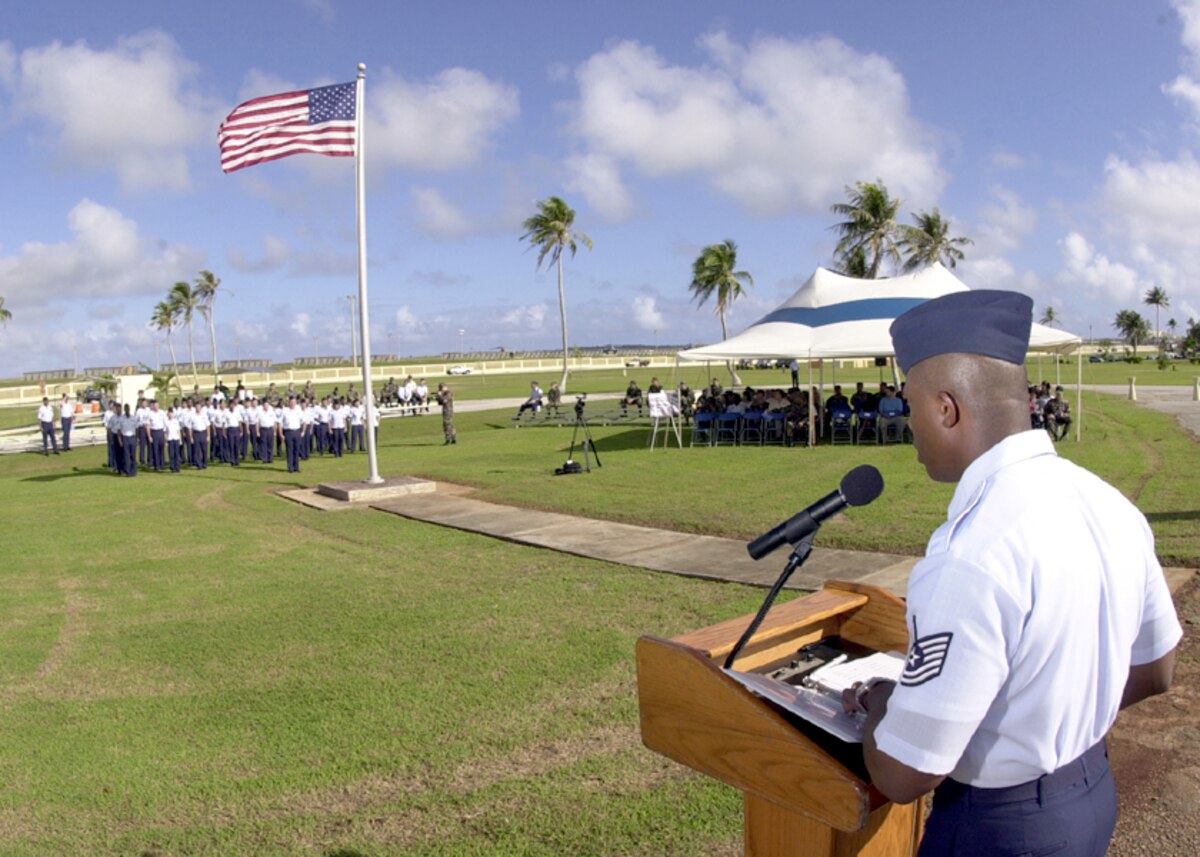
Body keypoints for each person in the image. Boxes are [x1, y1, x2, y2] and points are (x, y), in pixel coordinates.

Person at [844, 290, 1181, 857]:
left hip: (1001, 828)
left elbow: (903, 776)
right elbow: (1155, 669)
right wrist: (1054, 715)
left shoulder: (970, 553)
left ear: (946, 409)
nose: (909, 427)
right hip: (1090, 793)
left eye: (910, 406)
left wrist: (878, 698)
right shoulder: (1106, 502)